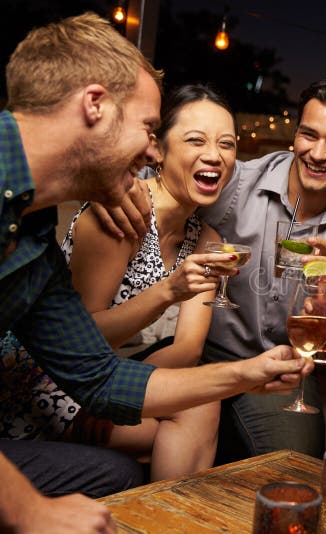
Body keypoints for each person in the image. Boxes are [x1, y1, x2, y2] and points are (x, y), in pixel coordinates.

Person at [0, 13, 307, 532]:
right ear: (93, 105)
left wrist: (246, 374)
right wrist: (29, 512)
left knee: (115, 477)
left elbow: (99, 375)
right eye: (149, 128)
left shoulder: (31, 238)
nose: (150, 150)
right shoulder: (106, 217)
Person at [97, 76, 326, 461]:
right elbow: (169, 180)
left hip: (280, 366)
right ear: (295, 133)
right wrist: (114, 189)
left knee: (294, 464)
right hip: (202, 348)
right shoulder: (238, 180)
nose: (317, 153)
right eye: (308, 135)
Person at [0, 83, 242, 481]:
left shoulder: (208, 240)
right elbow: (81, 337)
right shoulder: (120, 213)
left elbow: (187, 348)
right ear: (159, 151)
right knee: (196, 412)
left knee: (203, 403)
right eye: (195, 140)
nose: (214, 155)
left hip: (110, 380)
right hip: (51, 380)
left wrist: (122, 394)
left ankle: (170, 519)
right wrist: (167, 294)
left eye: (227, 144)